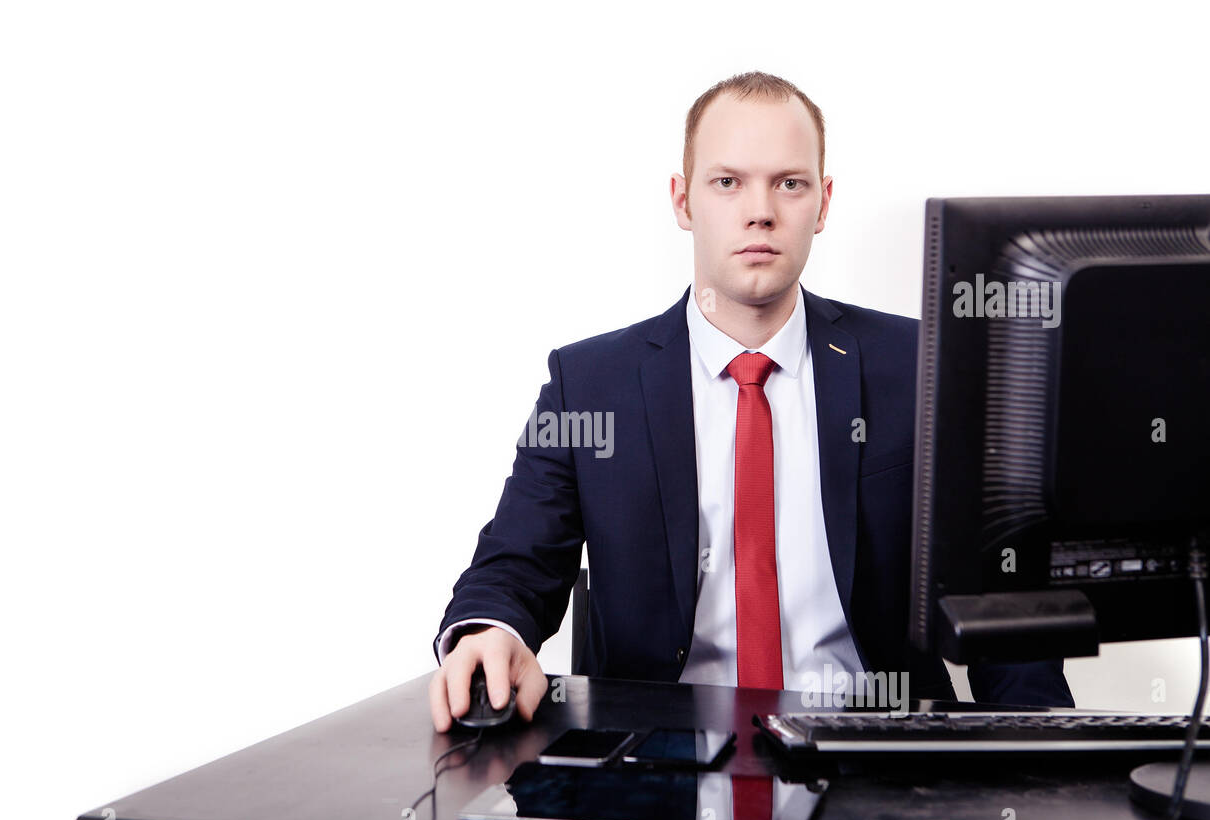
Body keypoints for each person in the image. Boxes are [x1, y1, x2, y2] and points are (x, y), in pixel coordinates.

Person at [427, 71, 1074, 732]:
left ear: (822, 204)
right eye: (727, 182)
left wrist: (1043, 760)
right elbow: (514, 565)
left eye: (789, 184)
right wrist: (491, 629)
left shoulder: (917, 368)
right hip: (658, 759)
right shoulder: (589, 384)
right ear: (683, 202)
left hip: (876, 757)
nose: (759, 211)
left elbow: (1001, 603)